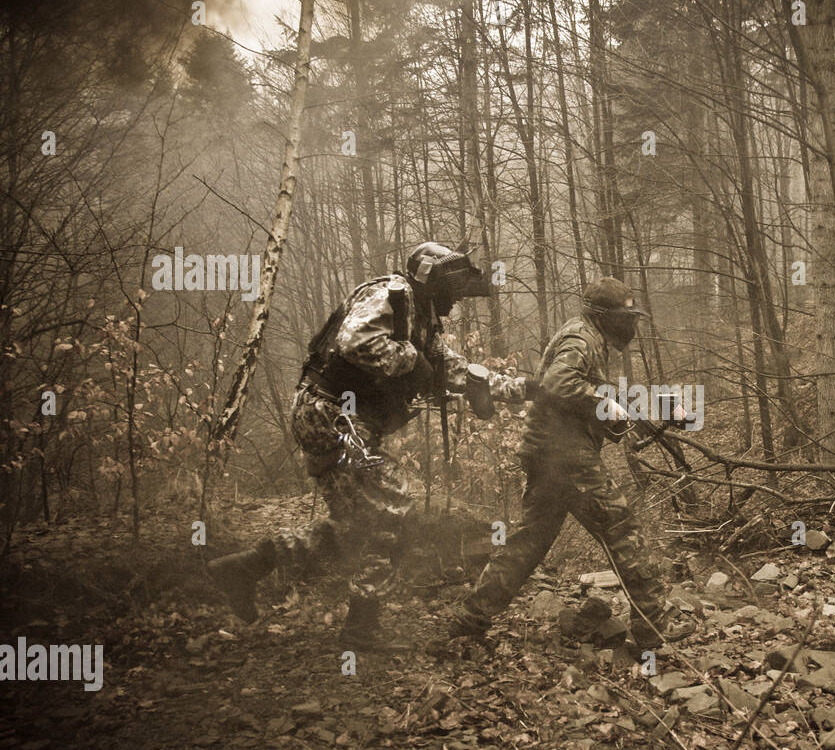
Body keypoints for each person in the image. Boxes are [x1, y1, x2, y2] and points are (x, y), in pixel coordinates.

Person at [208, 242, 534, 652]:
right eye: (451, 290)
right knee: (392, 502)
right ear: (430, 280)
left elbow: (452, 369)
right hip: (331, 415)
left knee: (353, 524)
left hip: (337, 418)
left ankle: (246, 567)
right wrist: (412, 362)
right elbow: (354, 341)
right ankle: (360, 632)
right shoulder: (391, 296)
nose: (455, 300)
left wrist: (525, 388)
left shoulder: (421, 317)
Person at [448, 277, 696, 653]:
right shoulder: (582, 338)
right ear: (604, 315)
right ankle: (652, 625)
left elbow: (597, 394)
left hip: (550, 454)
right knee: (622, 529)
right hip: (564, 456)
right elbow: (560, 383)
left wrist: (659, 405)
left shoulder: (589, 338)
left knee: (529, 541)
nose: (631, 324)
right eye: (626, 315)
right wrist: (602, 402)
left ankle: (470, 620)